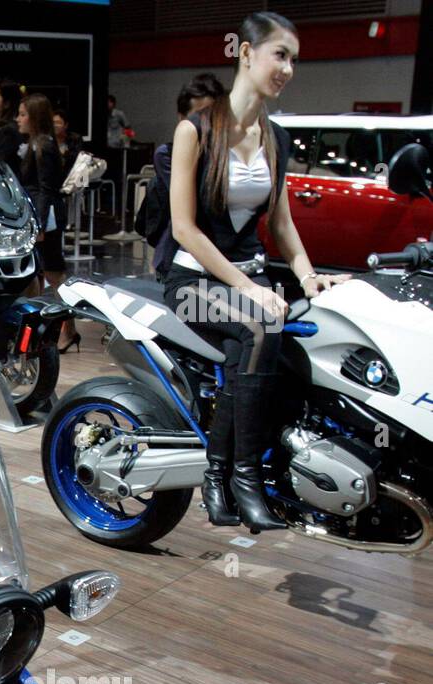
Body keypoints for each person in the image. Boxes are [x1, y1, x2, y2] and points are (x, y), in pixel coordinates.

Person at [165, 13, 348, 533]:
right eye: (279, 54)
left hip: (247, 284)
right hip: (192, 284)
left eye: (294, 59)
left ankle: (218, 478)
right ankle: (244, 479)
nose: (288, 68)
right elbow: (183, 230)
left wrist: (308, 274)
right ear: (245, 54)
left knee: (281, 339)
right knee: (259, 324)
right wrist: (248, 287)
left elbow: (282, 224)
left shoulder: (276, 138)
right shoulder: (193, 130)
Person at [151, 73, 226, 277]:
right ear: (182, 118)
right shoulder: (167, 154)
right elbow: (202, 203)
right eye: (200, 115)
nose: (208, 123)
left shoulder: (230, 154)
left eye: (214, 114)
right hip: (183, 257)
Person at [16, 94, 71, 348]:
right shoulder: (37, 144)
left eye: (23, 114)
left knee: (53, 274)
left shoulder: (43, 145)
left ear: (35, 117)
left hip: (44, 218)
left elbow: (46, 189)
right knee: (40, 274)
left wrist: (38, 224)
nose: (19, 119)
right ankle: (41, 327)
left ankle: (66, 330)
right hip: (38, 215)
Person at [52, 108, 84, 180]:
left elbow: (76, 160)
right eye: (53, 123)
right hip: (53, 179)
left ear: (66, 125)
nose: (55, 125)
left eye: (58, 122)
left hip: (71, 177)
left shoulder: (75, 139)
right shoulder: (48, 140)